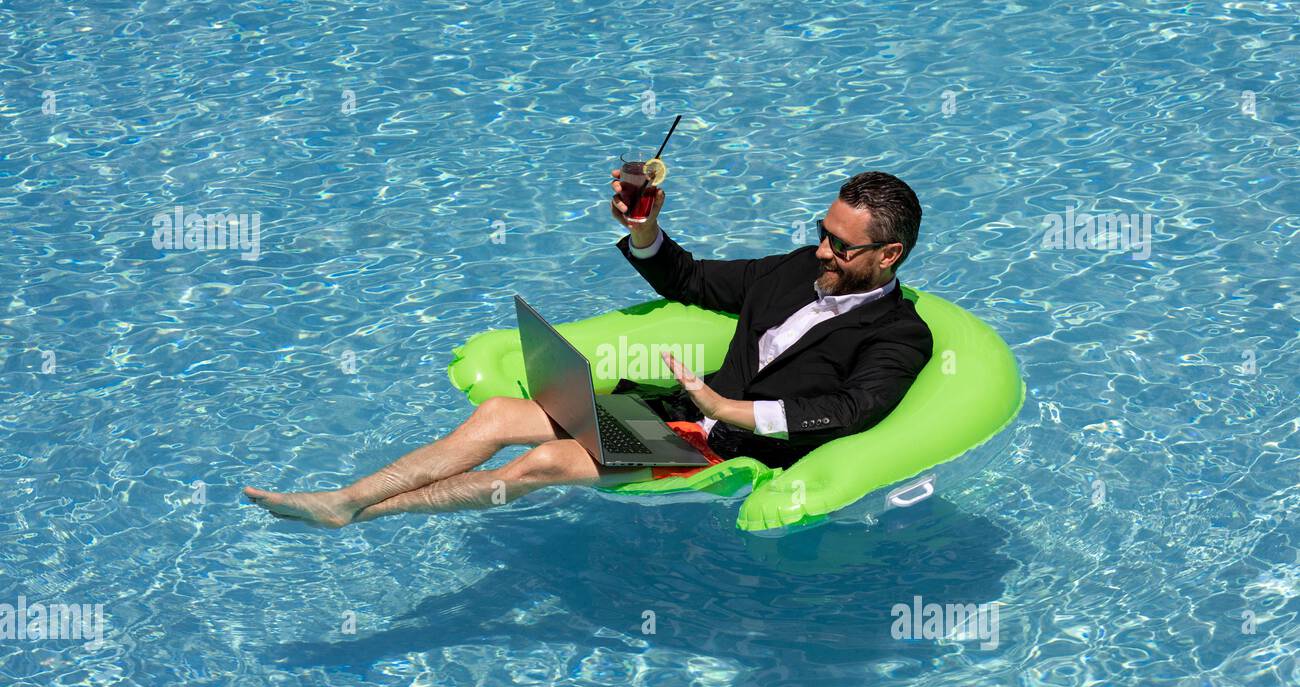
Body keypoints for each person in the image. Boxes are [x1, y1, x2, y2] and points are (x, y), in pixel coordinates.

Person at [243, 170, 932, 528]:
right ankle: (344, 498)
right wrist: (645, 228)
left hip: (725, 446)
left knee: (544, 461)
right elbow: (686, 278)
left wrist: (731, 408)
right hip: (674, 416)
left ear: (889, 254)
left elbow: (852, 409)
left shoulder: (898, 334)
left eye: (842, 245)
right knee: (500, 416)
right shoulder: (793, 269)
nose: (823, 250)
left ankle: (361, 515)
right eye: (823, 231)